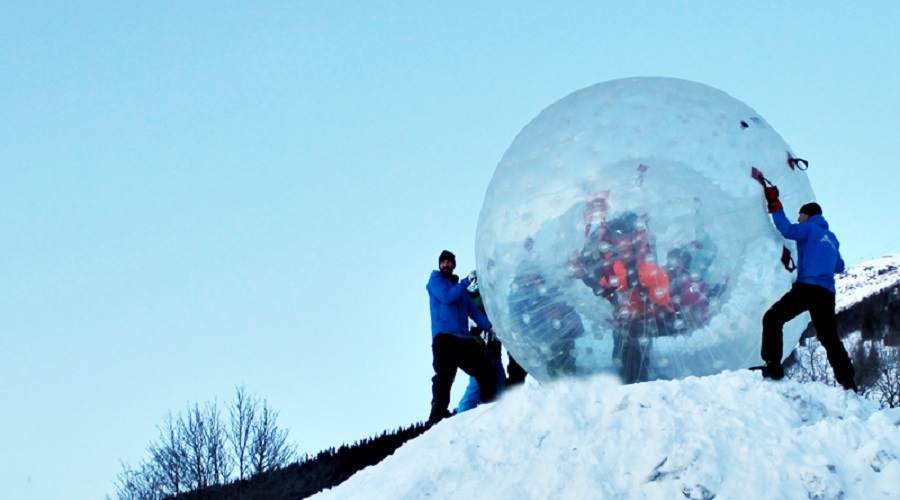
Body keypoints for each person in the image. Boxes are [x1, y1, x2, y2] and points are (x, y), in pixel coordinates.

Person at [755, 189, 857, 391]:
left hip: (807, 288)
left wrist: (775, 204)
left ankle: (773, 365)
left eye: (800, 215)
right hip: (827, 294)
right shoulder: (831, 238)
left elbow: (787, 230)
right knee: (829, 338)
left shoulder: (809, 228)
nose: (799, 219)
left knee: (773, 318)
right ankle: (848, 381)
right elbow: (839, 266)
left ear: (808, 215)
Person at [426, 250, 498, 424]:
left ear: (453, 265)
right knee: (444, 377)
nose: (446, 265)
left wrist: (491, 327)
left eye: (449, 262)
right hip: (444, 338)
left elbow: (473, 312)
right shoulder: (435, 281)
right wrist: (466, 282)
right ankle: (437, 416)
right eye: (443, 262)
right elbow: (447, 297)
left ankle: (491, 405)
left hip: (463, 339)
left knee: (484, 369)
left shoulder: (460, 290)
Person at [457, 276, 507, 413]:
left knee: (499, 380)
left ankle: (497, 412)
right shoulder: (478, 292)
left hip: (493, 348)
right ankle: (461, 418)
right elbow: (473, 318)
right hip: (483, 348)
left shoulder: (494, 294)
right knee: (477, 384)